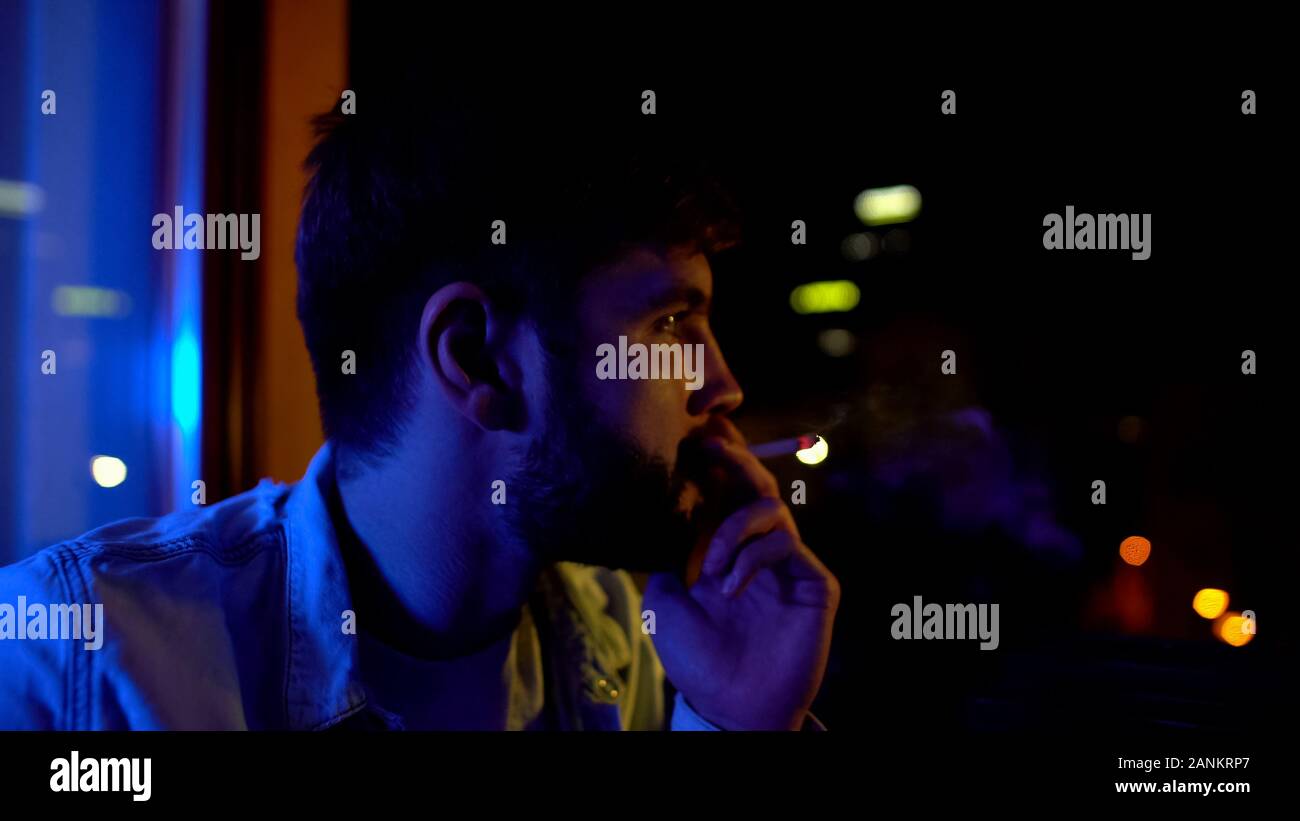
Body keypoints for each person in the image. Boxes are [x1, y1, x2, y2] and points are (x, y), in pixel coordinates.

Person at [0, 91, 839, 730]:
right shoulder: (79, 662)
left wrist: (738, 720)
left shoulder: (648, 647)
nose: (724, 385)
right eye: (668, 323)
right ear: (477, 356)